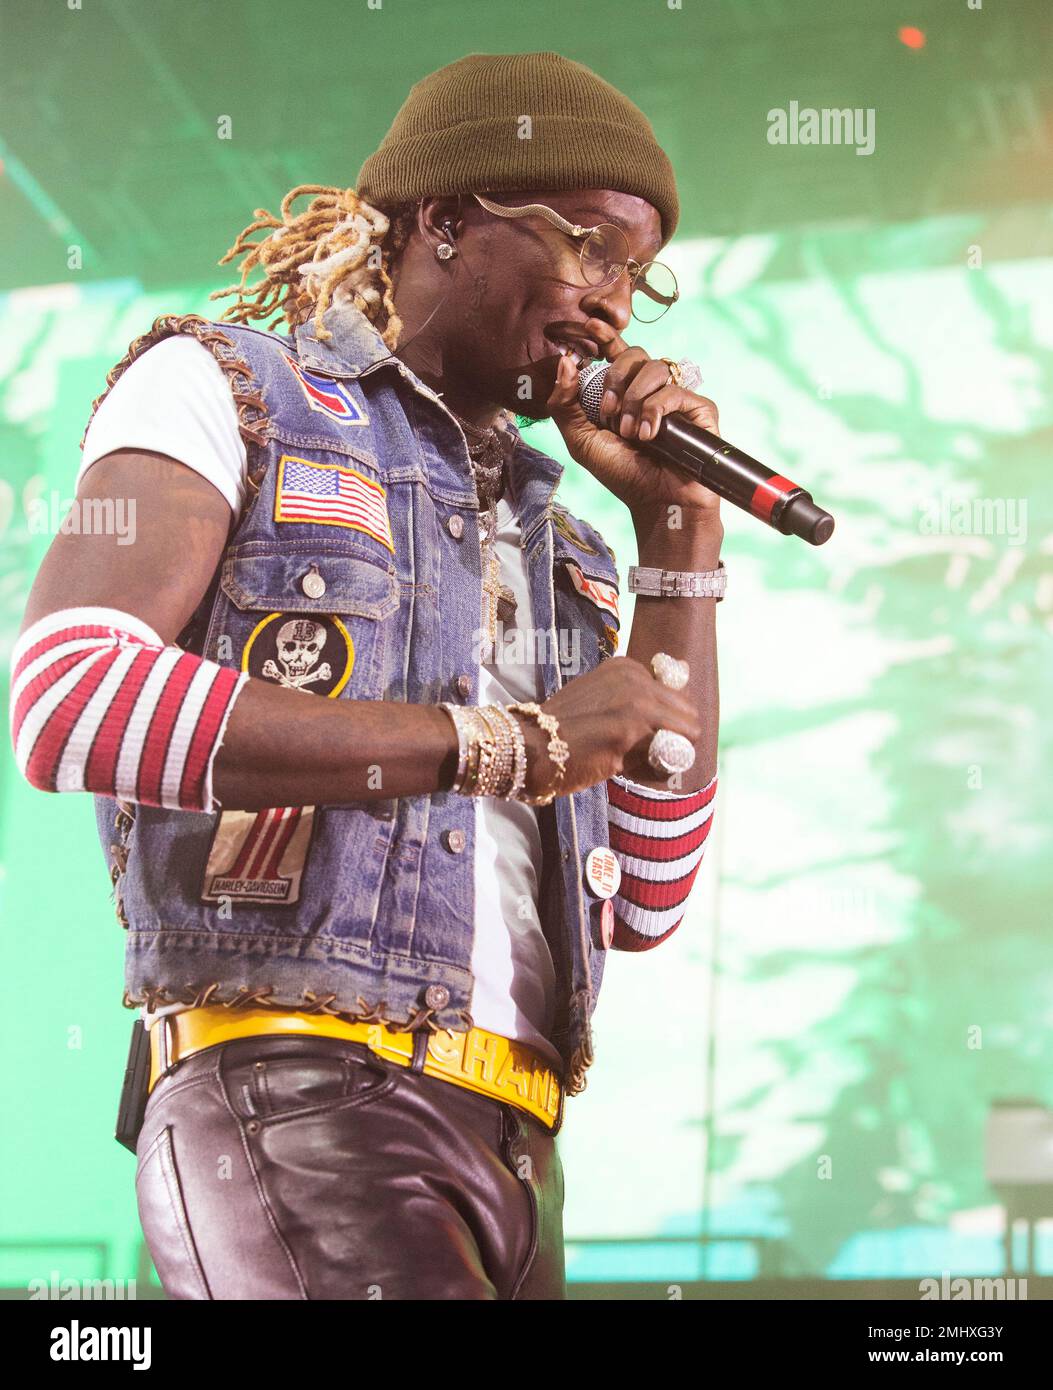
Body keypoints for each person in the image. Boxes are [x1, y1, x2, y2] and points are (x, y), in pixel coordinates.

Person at [9, 51, 725, 1300]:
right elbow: (70, 698)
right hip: (297, 1091)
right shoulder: (235, 390)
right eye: (590, 247)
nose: (615, 305)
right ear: (443, 220)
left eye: (638, 273)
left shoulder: (568, 550)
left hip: (521, 1145)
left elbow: (650, 893)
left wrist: (679, 539)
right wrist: (505, 744)